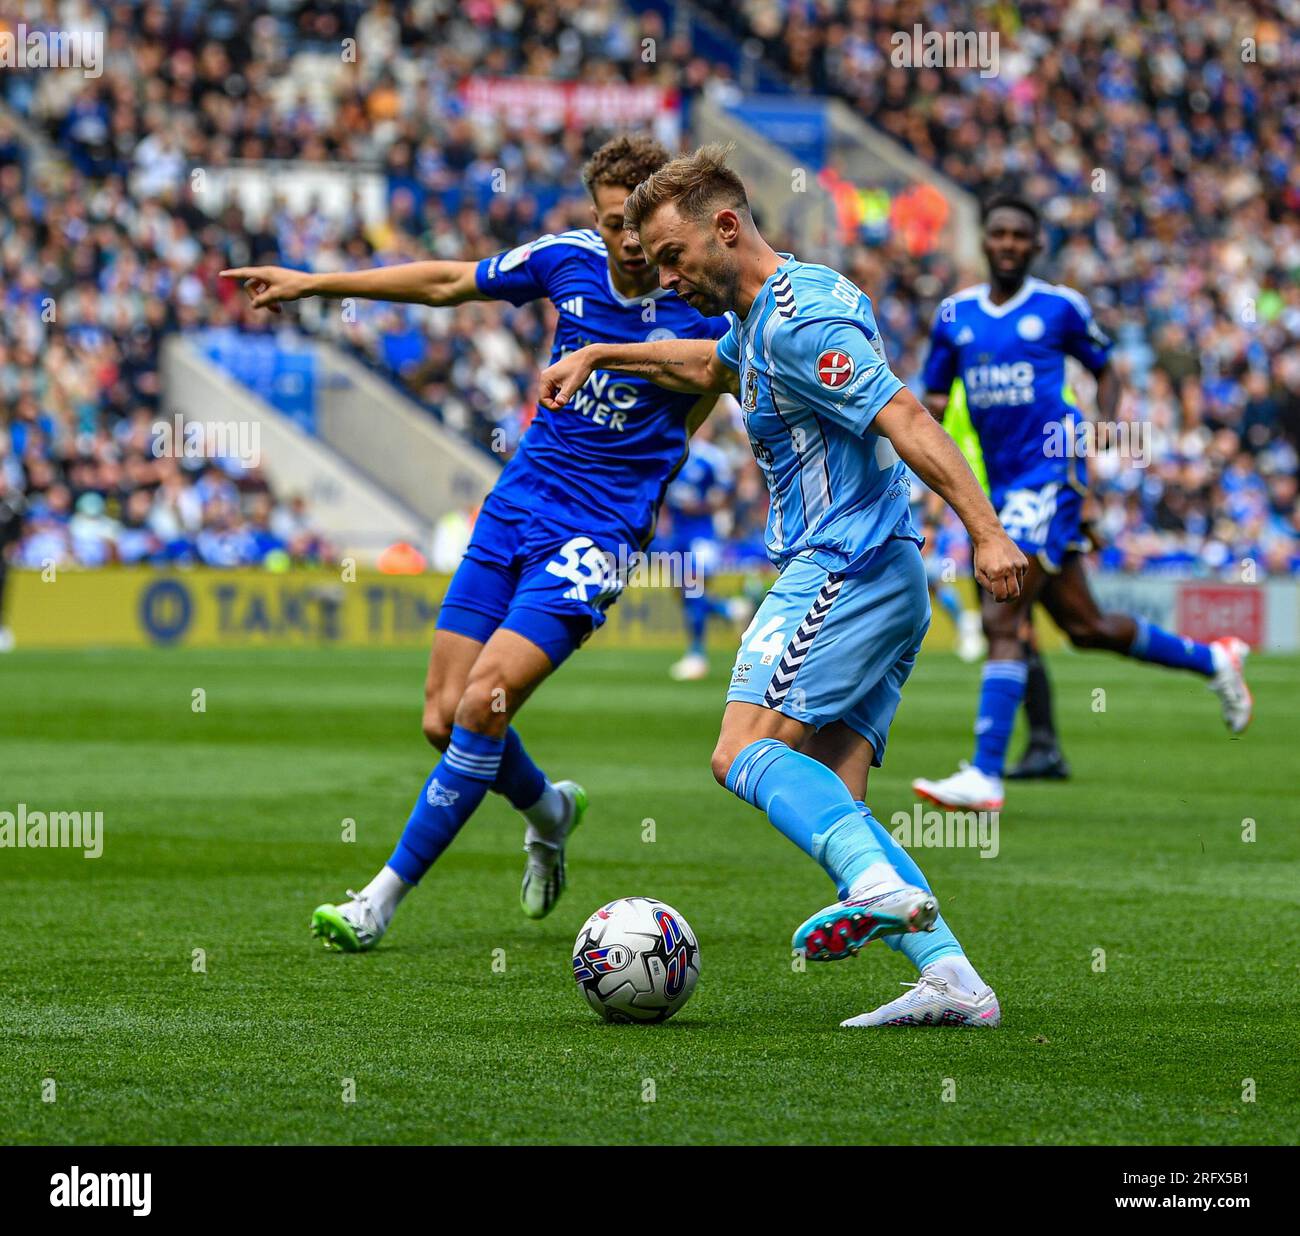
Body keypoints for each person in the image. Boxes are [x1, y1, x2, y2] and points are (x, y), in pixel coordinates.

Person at [539, 144, 1026, 1028]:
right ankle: (953, 979)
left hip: (844, 565)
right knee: (830, 794)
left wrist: (987, 532)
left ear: (727, 228)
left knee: (741, 751)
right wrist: (601, 352)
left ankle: (878, 886)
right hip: (884, 573)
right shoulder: (761, 316)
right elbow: (706, 366)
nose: (669, 277)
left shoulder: (802, 321)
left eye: (676, 257)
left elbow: (906, 414)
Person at [222, 135, 730, 950]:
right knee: (442, 716)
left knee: (485, 697)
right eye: (610, 224)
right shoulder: (566, 260)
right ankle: (550, 810)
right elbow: (448, 279)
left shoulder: (700, 295)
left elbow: (715, 368)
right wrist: (316, 282)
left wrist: (601, 349)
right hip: (517, 503)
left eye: (637, 224)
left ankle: (378, 900)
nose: (626, 243)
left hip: (598, 530)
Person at [911, 196, 1251, 812]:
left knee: (1001, 610)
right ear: (984, 243)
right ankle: (1215, 659)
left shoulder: (1061, 307)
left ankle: (985, 773)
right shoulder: (954, 315)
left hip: (1052, 474)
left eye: (1021, 235)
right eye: (999, 234)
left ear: (1036, 245)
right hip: (1001, 485)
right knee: (1085, 627)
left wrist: (1099, 432)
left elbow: (1107, 368)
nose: (1010, 243)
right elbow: (933, 398)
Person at [660, 418, 751, 680]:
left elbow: (725, 492)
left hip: (702, 533)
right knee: (684, 593)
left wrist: (702, 507)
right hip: (678, 534)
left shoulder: (712, 458)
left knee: (693, 588)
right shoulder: (674, 453)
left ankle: (697, 655)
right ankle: (730, 609)